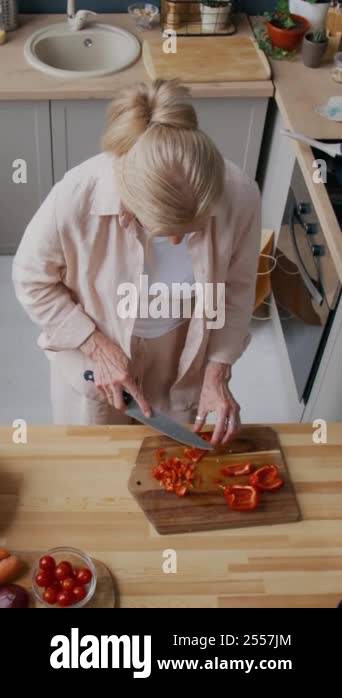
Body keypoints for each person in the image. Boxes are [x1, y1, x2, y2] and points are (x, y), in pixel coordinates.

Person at [13, 79, 261, 445]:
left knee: (170, 450)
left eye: (192, 229)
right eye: (163, 231)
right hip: (97, 343)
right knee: (96, 454)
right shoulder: (77, 195)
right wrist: (94, 345)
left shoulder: (239, 195)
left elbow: (237, 290)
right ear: (129, 202)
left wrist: (217, 369)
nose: (177, 242)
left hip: (180, 349)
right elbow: (31, 280)